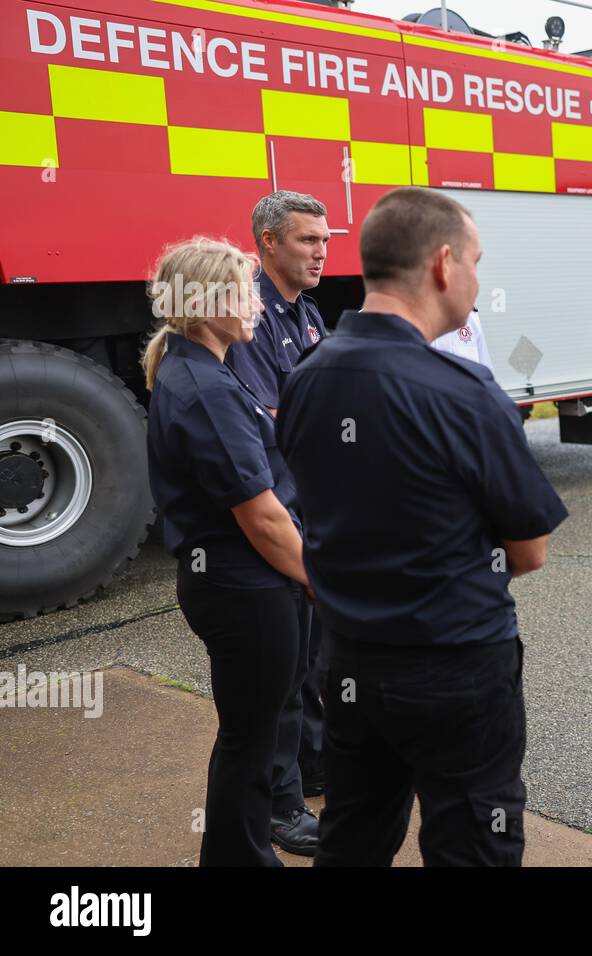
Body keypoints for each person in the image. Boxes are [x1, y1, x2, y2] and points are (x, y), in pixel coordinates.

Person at [276, 186, 568, 866]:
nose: (476, 277)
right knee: (472, 843)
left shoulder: (306, 377)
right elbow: (529, 549)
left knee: (353, 834)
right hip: (456, 667)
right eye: (475, 260)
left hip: (348, 662)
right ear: (442, 265)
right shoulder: (466, 395)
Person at [142, 237, 312, 867]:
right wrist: (318, 579)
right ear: (205, 302)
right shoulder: (207, 387)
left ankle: (233, 854)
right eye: (245, 292)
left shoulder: (198, 369)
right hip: (247, 587)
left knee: (251, 729)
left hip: (235, 583)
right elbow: (262, 516)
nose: (258, 306)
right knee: (251, 734)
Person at [225, 190, 331, 855]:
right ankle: (281, 805)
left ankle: (312, 769)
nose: (321, 251)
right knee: (286, 676)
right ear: (268, 242)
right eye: (307, 241)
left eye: (324, 239)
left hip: (315, 506)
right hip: (283, 516)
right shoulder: (252, 319)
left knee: (316, 659)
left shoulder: (309, 313)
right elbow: (272, 424)